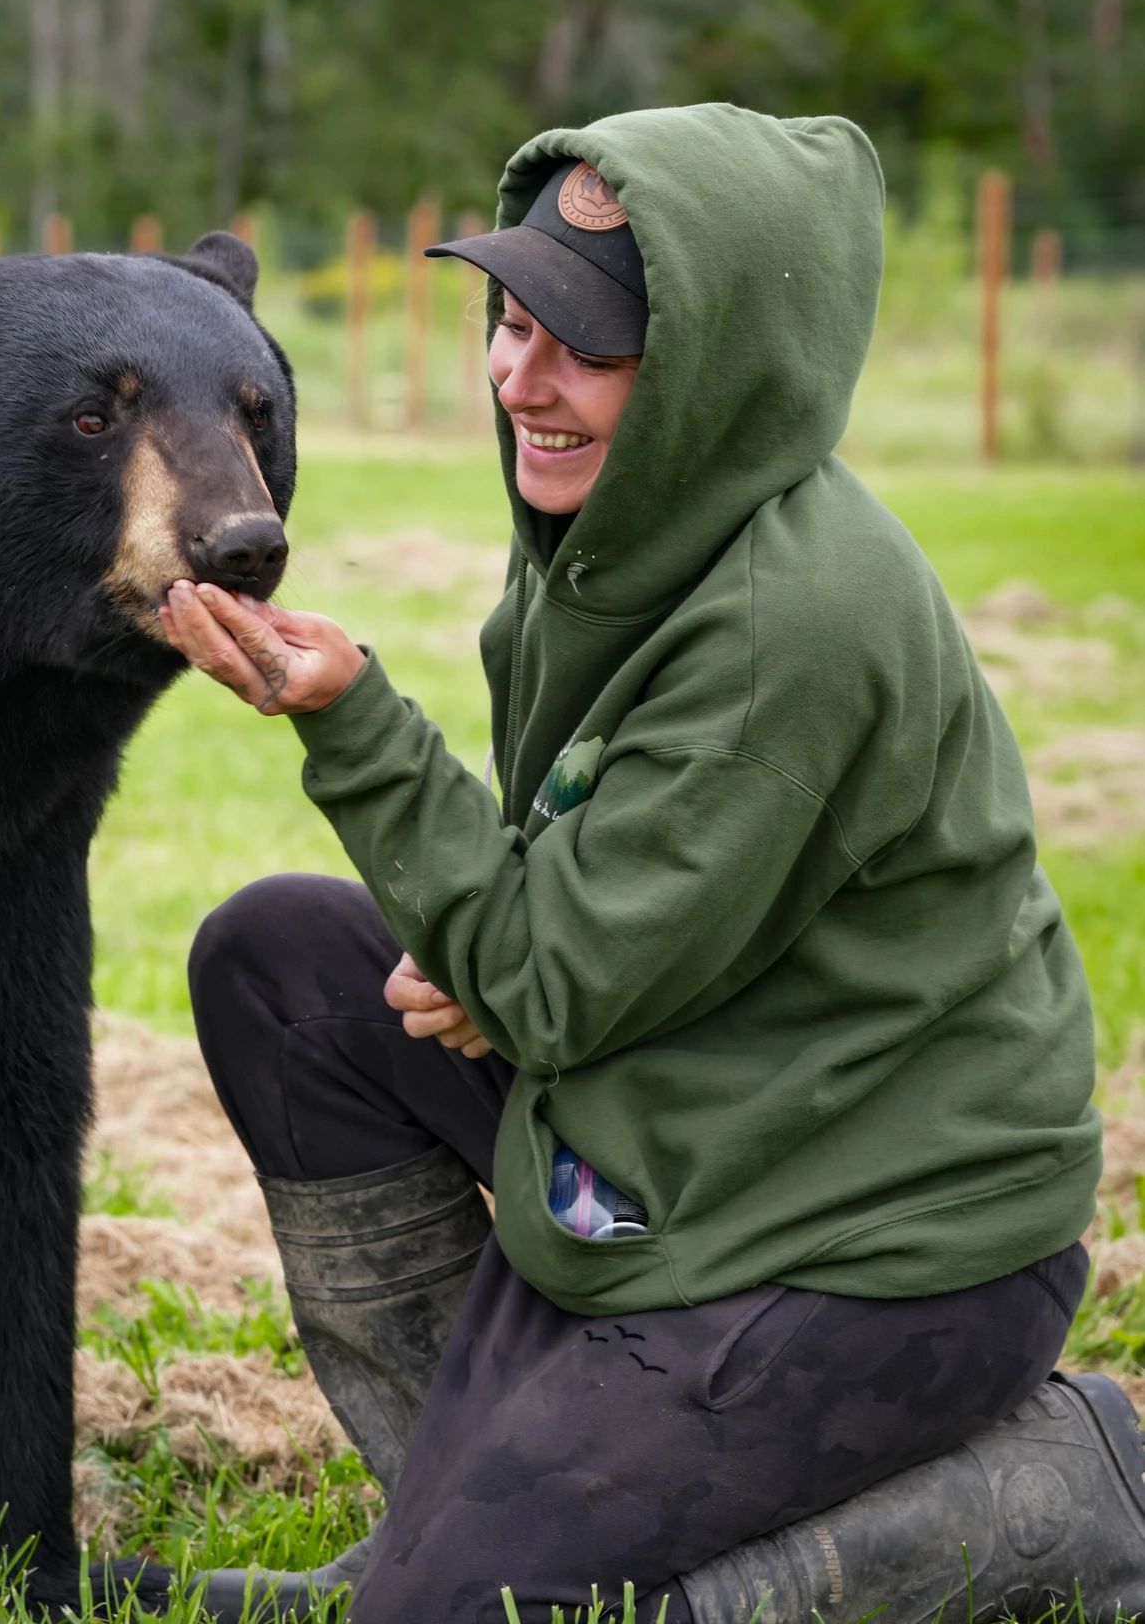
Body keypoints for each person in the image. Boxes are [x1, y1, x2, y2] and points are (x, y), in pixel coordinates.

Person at [161, 105, 1145, 1624]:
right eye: (506, 317)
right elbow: (594, 902)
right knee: (282, 967)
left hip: (871, 1238)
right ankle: (455, 1513)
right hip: (699, 1116)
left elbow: (555, 984)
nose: (518, 376)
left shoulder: (785, 624)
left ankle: (1053, 1493)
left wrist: (360, 729)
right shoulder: (628, 520)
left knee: (461, 1622)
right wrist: (503, 956)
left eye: (586, 343)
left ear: (719, 359)